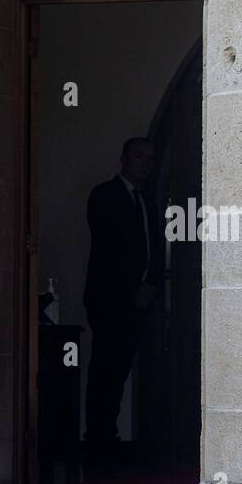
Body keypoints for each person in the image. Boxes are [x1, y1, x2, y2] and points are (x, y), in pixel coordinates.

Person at [82, 137, 164, 454]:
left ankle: (110, 433)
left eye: (151, 158)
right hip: (109, 299)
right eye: (139, 156)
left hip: (141, 300)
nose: (145, 163)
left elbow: (155, 248)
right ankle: (98, 436)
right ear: (124, 159)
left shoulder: (149, 201)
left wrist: (152, 284)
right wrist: (132, 290)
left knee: (122, 368)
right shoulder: (104, 195)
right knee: (105, 366)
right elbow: (109, 249)